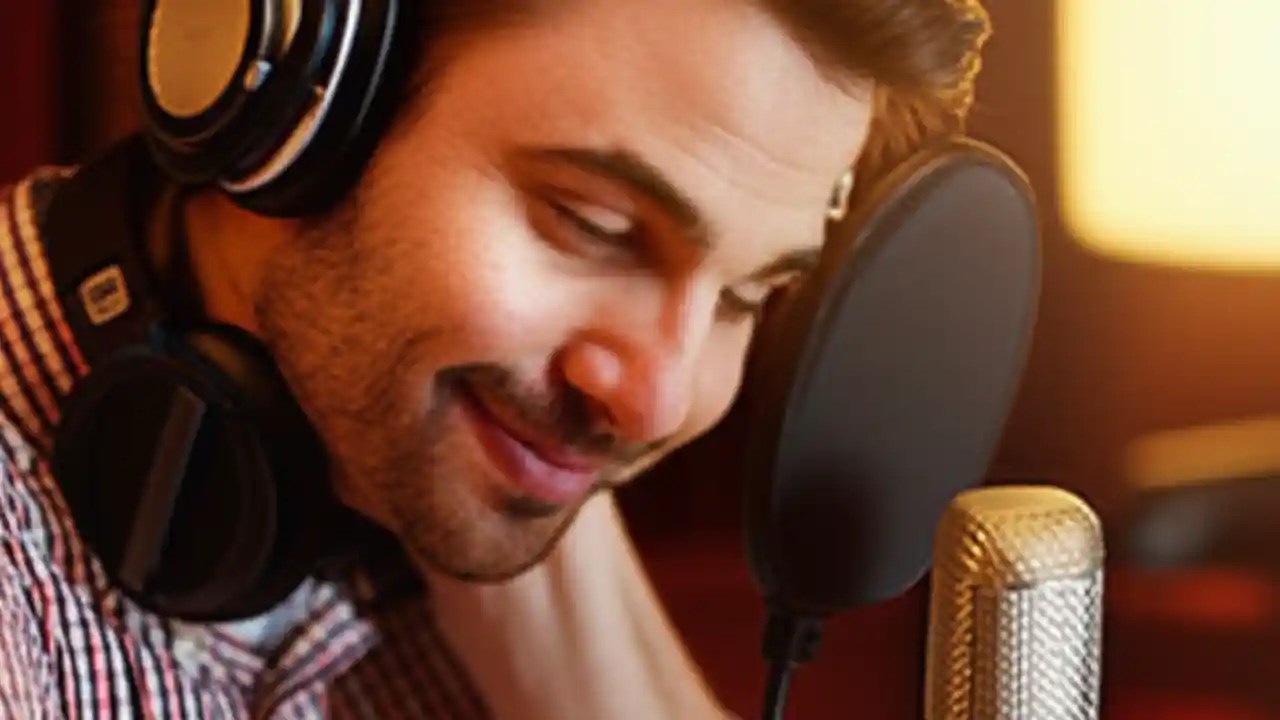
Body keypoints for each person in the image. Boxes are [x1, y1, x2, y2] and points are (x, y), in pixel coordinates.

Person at [0, 0, 989, 716]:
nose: (659, 400)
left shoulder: (403, 493)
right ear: (292, 90)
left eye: (746, 297)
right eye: (588, 223)